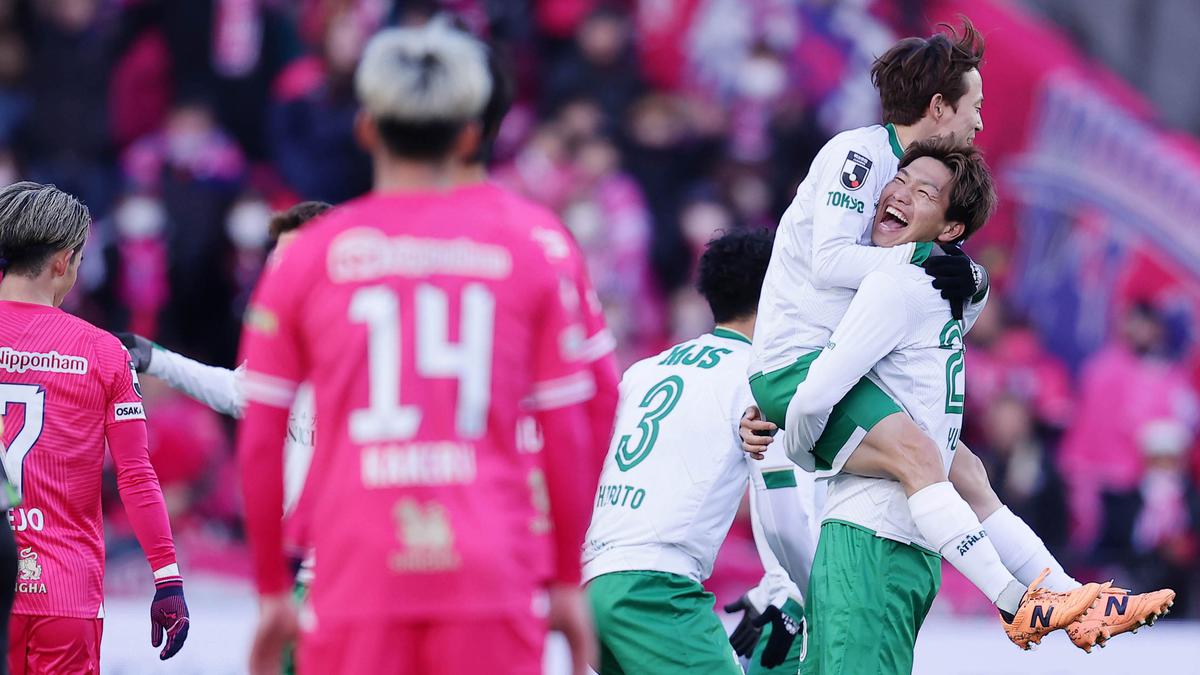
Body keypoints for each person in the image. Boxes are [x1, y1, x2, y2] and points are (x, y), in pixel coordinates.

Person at [740, 18, 1173, 651]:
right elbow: (830, 262)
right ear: (938, 106)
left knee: (964, 469)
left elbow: (928, 296)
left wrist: (957, 277)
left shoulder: (908, 184)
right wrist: (919, 261)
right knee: (921, 458)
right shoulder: (860, 158)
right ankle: (1016, 605)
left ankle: (1075, 599)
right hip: (800, 366)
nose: (978, 122)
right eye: (973, 107)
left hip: (841, 366)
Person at [236, 20, 597, 675]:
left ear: (366, 127)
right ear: (469, 133)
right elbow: (568, 428)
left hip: (354, 568)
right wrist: (568, 577)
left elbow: (261, 436)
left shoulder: (308, 255)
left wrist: (269, 589)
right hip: (491, 570)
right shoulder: (531, 247)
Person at [778, 139, 1099, 672]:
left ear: (950, 230)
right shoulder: (946, 290)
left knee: (964, 470)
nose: (899, 194)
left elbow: (813, 393)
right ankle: (1053, 596)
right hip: (898, 541)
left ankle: (1032, 600)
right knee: (966, 470)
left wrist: (800, 446)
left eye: (923, 192)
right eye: (899, 181)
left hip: (874, 540)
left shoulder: (894, 282)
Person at [583, 229, 818, 674]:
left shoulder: (642, 372)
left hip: (593, 583)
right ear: (779, 294)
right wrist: (813, 600)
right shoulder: (760, 382)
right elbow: (785, 521)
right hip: (654, 588)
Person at [0, 181, 189, 673]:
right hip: (63, 592)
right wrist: (167, 577)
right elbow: (135, 474)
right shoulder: (103, 351)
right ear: (63, 261)